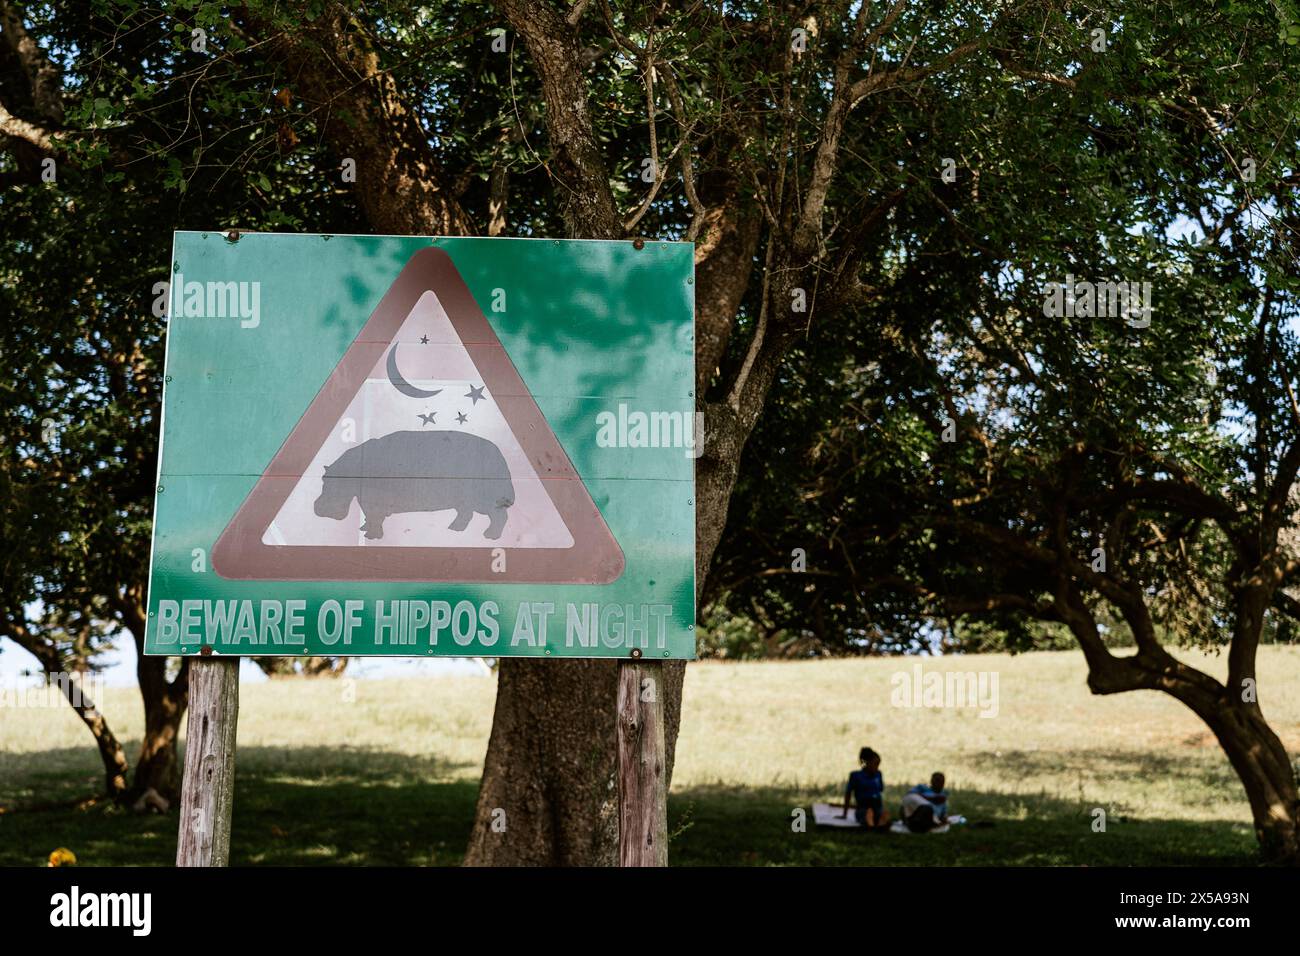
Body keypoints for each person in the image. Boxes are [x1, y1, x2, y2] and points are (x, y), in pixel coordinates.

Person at [841, 747, 889, 828]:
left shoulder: (878, 774)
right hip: (863, 808)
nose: (877, 767)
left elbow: (880, 790)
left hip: (877, 807)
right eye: (875, 764)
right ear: (866, 763)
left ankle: (879, 823)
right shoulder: (856, 776)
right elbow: (848, 793)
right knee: (868, 813)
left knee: (884, 814)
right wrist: (844, 813)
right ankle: (871, 824)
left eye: (878, 764)